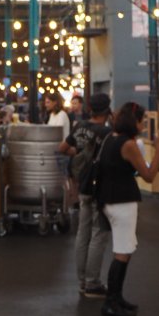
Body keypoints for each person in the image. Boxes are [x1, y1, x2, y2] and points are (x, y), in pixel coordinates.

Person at [95, 102, 159, 316]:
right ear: (133, 122)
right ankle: (111, 302)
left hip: (108, 198)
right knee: (122, 252)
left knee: (123, 250)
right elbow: (149, 175)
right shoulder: (128, 144)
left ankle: (117, 298)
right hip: (122, 201)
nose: (143, 125)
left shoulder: (111, 138)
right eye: (141, 121)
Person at [58, 92, 112, 299]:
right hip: (99, 185)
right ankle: (92, 282)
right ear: (107, 110)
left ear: (90, 108)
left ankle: (82, 281)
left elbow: (62, 148)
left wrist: (79, 152)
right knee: (99, 232)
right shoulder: (105, 132)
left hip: (82, 183)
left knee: (83, 233)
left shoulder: (79, 126)